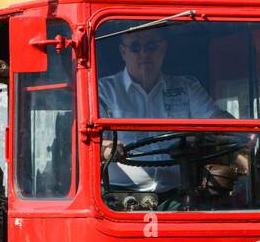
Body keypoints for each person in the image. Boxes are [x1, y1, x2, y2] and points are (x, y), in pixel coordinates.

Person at [97, 29, 229, 194]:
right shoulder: (102, 91)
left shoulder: (187, 88)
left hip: (180, 192)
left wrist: (218, 129)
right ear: (123, 52)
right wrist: (107, 147)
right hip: (119, 195)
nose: (144, 54)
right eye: (135, 48)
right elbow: (91, 142)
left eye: (151, 46)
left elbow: (218, 120)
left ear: (163, 49)